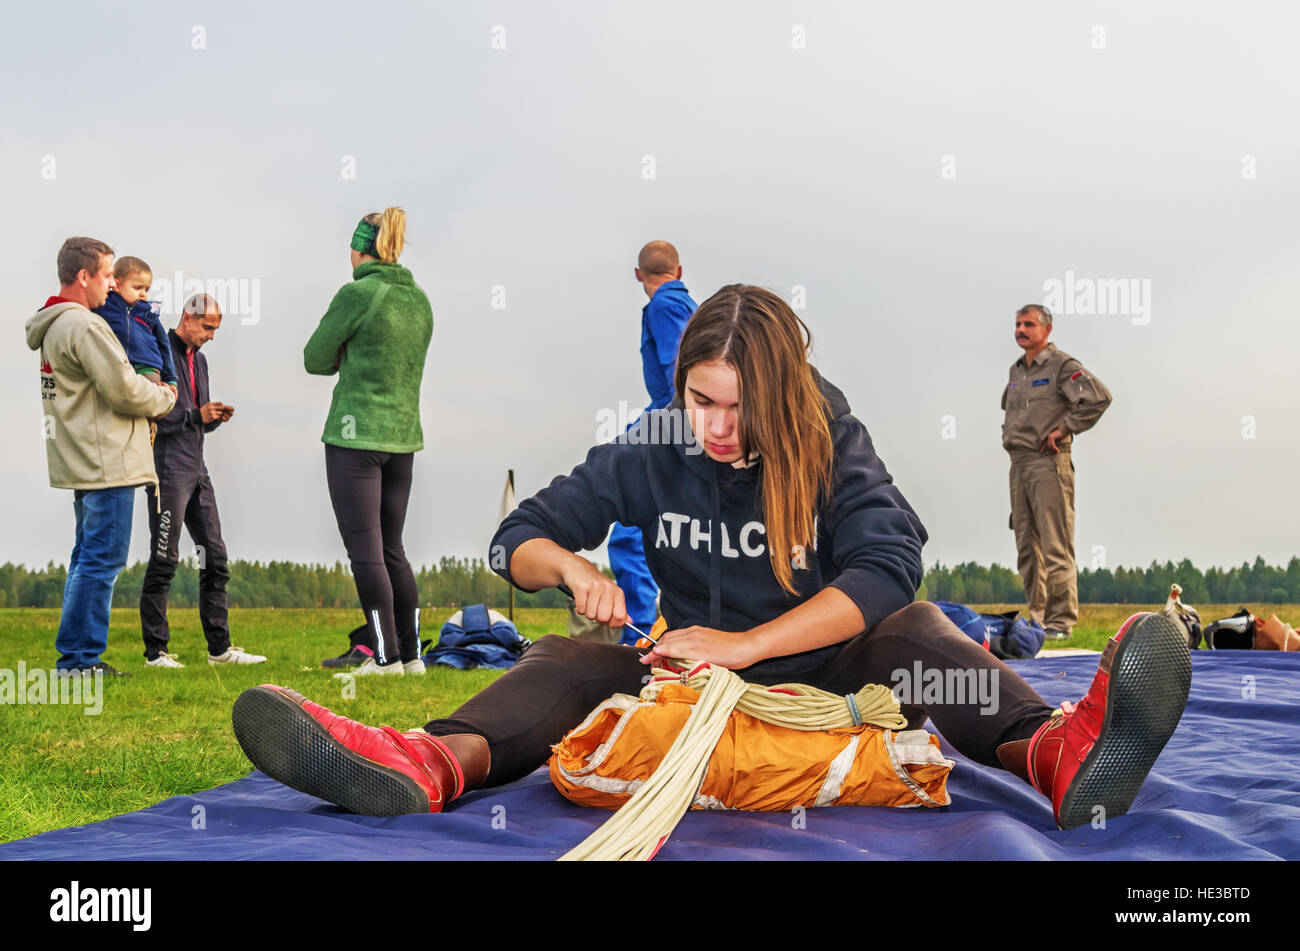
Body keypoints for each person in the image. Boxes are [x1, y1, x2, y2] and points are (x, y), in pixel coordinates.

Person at [233, 285, 1189, 832]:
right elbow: (515, 536)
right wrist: (572, 570)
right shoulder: (658, 440)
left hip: (827, 677)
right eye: (701, 400)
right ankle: (428, 762)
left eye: (740, 407)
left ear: (783, 394)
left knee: (918, 629)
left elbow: (888, 561)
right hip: (687, 684)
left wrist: (747, 644)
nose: (718, 428)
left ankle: (1056, 753)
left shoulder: (828, 431)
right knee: (568, 658)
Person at [26, 237, 177, 676]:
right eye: (108, 275)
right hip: (108, 460)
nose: (112, 285)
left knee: (86, 557)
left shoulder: (54, 324)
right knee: (102, 559)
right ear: (83, 276)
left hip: (82, 458)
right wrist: (166, 396)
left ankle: (75, 657)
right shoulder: (86, 326)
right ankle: (80, 660)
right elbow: (125, 389)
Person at [306, 208, 433, 675]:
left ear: (359, 249)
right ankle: (412, 656)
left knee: (365, 551)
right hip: (403, 438)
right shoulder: (419, 300)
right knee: (393, 549)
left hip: (354, 435)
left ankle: (384, 658)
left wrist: (345, 353)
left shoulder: (357, 294)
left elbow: (315, 358)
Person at [139, 293, 263, 667]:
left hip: (197, 469)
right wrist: (197, 416)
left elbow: (195, 420)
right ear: (188, 318)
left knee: (215, 557)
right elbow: (153, 416)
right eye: (208, 327)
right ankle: (155, 652)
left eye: (216, 329)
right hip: (167, 469)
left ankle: (219, 650)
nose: (211, 335)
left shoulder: (201, 361)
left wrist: (212, 418)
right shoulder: (158, 353)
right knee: (165, 558)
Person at [1002, 304, 1112, 641]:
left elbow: (1098, 398)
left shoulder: (1062, 366)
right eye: (1018, 324)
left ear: (1047, 329)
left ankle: (1060, 622)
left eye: (1029, 324)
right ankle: (1038, 620)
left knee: (1055, 544)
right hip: (1019, 464)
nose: (1021, 330)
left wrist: (1064, 429)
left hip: (1048, 462)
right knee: (1026, 546)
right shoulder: (1017, 370)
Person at [605, 241, 696, 644]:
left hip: (671, 416)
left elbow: (679, 371)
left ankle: (638, 635)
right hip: (673, 414)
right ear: (679, 271)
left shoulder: (665, 305)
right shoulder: (686, 303)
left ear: (638, 275)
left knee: (628, 532)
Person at [91, 255, 180, 445]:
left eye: (146, 289)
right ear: (116, 284)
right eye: (138, 288)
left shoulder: (148, 312)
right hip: (119, 365)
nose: (143, 295)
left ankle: (148, 431)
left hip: (148, 367)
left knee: (149, 404)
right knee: (118, 404)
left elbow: (164, 345)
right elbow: (77, 309)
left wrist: (171, 378)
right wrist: (55, 310)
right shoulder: (104, 305)